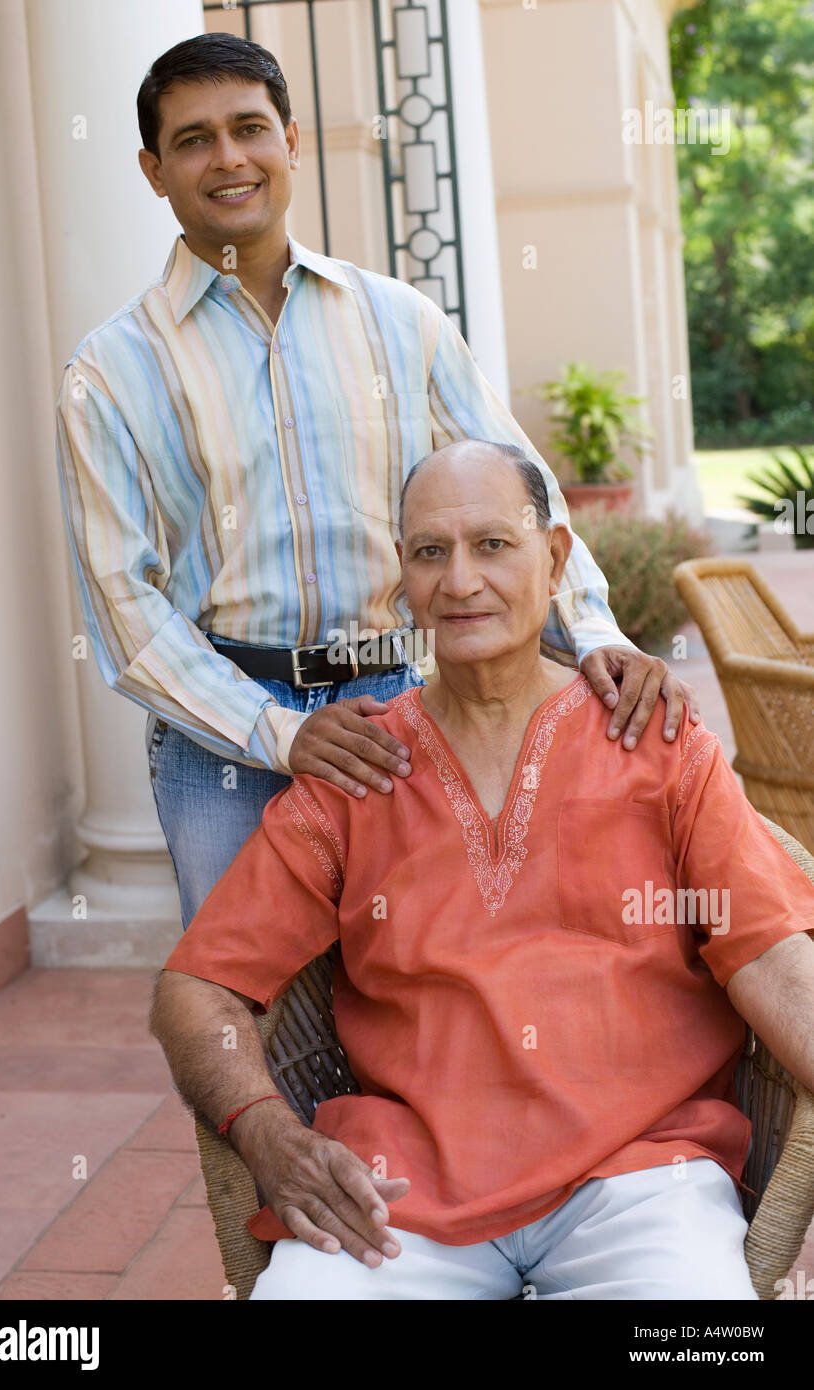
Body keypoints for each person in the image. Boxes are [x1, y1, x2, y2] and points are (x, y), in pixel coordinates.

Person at [55, 32, 698, 931]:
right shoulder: (110, 372)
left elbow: (524, 494)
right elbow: (123, 609)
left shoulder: (400, 320)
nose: (229, 157)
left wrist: (592, 629)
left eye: (250, 128)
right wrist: (276, 731)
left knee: (431, 985)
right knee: (250, 1009)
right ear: (153, 170)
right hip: (225, 748)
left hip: (402, 706)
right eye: (194, 139)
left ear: (291, 143)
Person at [151, 440, 814, 1301]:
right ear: (403, 578)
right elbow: (194, 990)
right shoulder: (359, 772)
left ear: (555, 556)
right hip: (398, 1196)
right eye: (432, 551)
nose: (461, 581)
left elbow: (769, 953)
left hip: (645, 1182)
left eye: (493, 544)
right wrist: (268, 1133)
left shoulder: (655, 743)